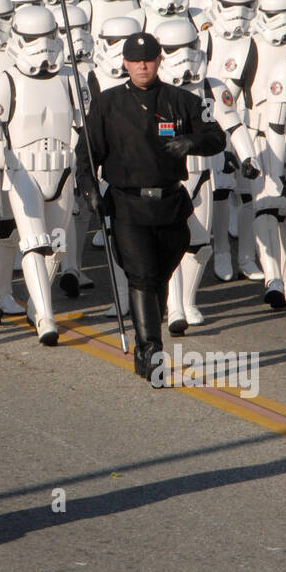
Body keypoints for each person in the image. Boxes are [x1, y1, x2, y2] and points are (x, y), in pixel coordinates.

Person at [75, 32, 226, 382]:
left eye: (149, 59)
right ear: (125, 63)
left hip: (171, 204)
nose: (142, 65)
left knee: (158, 279)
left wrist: (192, 142)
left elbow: (217, 137)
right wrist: (89, 191)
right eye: (135, 60)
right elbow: (85, 154)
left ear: (160, 61)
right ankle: (151, 350)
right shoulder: (106, 104)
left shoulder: (183, 101)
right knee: (141, 276)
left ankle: (148, 337)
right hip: (128, 204)